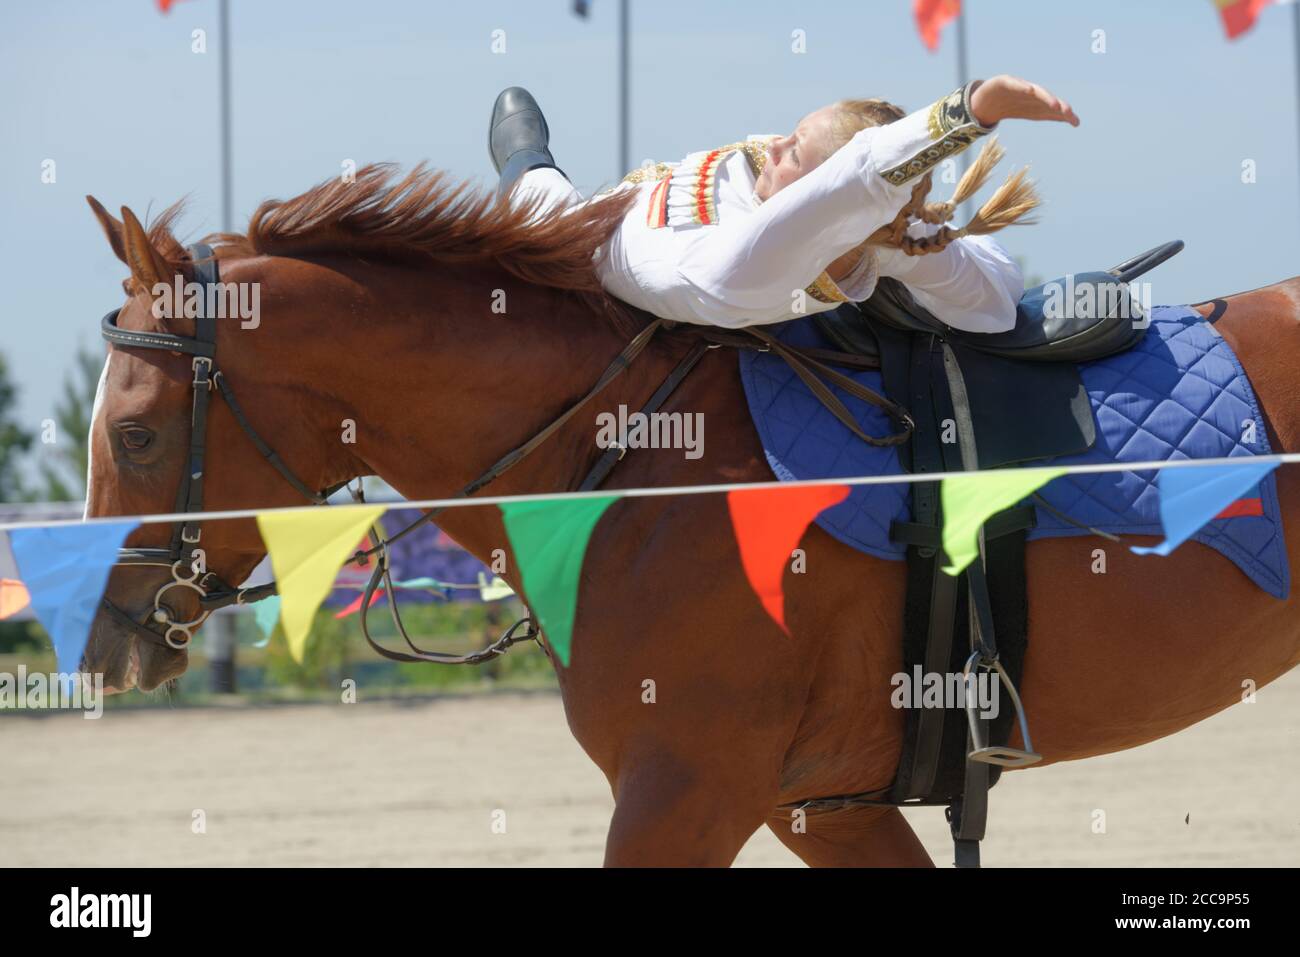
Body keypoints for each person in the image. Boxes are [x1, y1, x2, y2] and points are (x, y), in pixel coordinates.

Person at [487, 77, 1079, 333]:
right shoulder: (795, 180)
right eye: (792, 135)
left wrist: (967, 111)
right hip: (624, 205)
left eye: (794, 152)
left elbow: (996, 305)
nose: (776, 146)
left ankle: (530, 167)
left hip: (586, 240)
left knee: (539, 192)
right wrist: (926, 230)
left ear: (820, 201)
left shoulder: (744, 268)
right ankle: (531, 165)